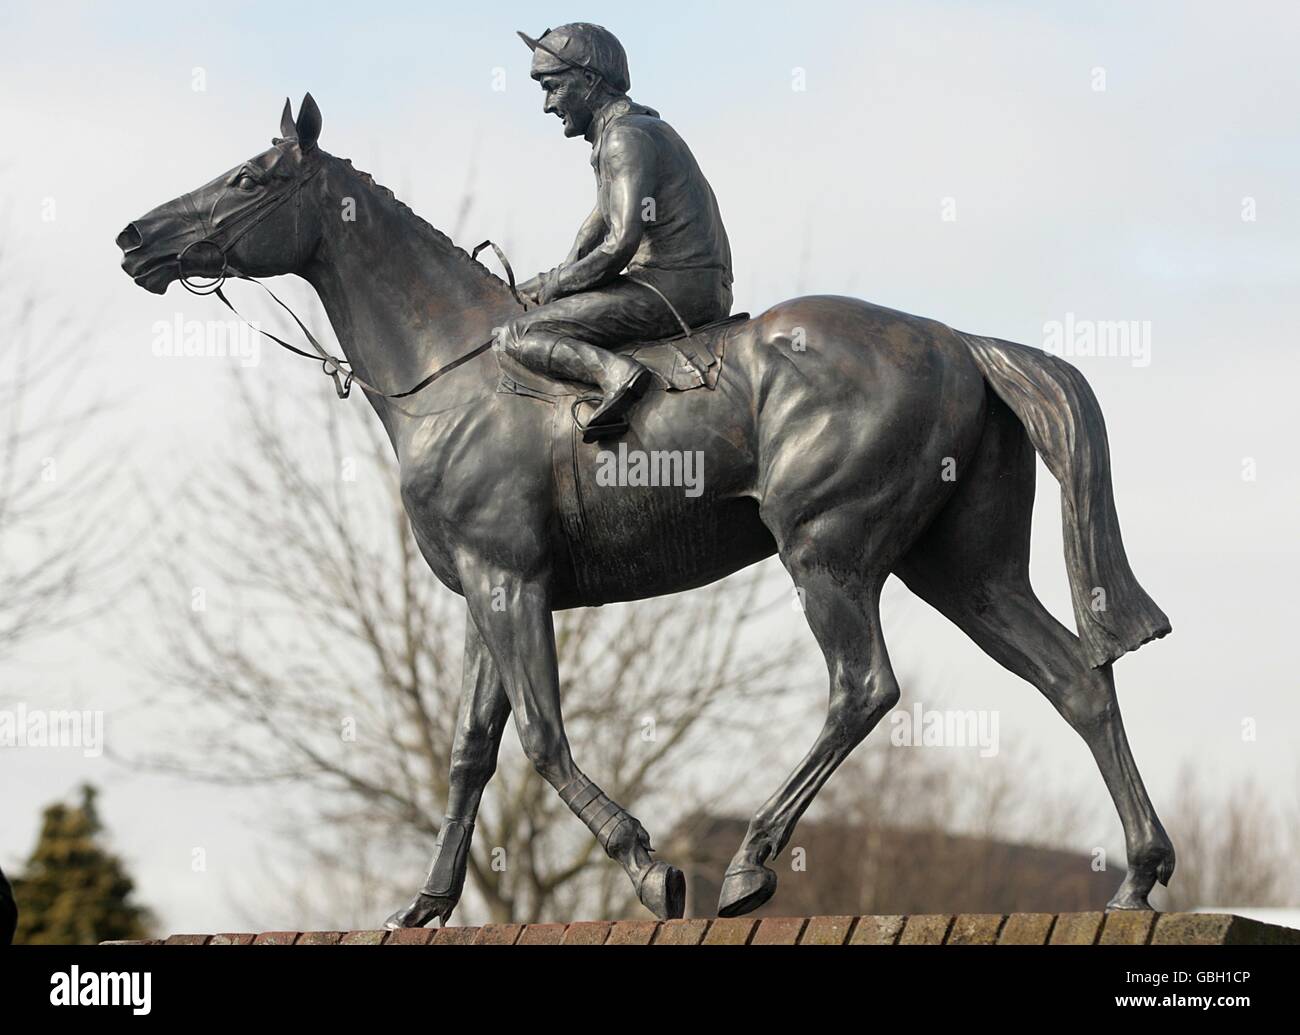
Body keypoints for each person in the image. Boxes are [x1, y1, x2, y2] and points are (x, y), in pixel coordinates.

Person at [505, 23, 734, 440]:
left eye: (552, 87)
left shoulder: (624, 139)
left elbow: (620, 244)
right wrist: (541, 282)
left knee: (519, 334)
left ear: (589, 81)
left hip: (672, 289)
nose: (546, 105)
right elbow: (593, 228)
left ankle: (616, 374)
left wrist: (555, 288)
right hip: (690, 284)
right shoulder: (629, 131)